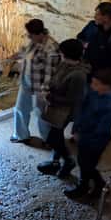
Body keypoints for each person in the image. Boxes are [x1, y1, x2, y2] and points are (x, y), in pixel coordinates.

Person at [37, 39, 89, 179]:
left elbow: (73, 100)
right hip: (57, 107)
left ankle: (68, 161)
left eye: (61, 52)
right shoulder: (64, 64)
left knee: (53, 138)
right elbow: (56, 79)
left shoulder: (78, 75)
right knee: (57, 135)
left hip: (65, 111)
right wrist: (48, 88)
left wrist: (49, 96)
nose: (59, 53)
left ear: (66, 54)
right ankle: (55, 162)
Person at [67, 68, 111, 199]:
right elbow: (82, 110)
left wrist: (83, 137)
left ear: (107, 86)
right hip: (84, 136)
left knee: (88, 165)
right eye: (92, 82)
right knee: (84, 163)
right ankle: (98, 184)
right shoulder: (94, 93)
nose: (91, 86)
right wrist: (76, 129)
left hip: (95, 141)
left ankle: (85, 187)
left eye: (96, 84)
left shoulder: (110, 105)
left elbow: (102, 129)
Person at [8, 19, 60, 144]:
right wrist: (16, 55)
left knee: (41, 114)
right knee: (20, 108)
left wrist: (44, 93)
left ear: (39, 33)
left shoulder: (51, 49)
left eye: (30, 35)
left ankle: (48, 140)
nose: (29, 37)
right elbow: (27, 52)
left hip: (40, 87)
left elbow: (49, 74)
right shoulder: (35, 41)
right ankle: (21, 135)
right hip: (26, 81)